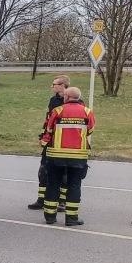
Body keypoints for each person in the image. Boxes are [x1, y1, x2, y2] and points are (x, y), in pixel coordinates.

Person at [40, 86, 94, 226]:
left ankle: (50, 217)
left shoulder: (57, 111)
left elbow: (49, 129)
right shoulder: (87, 112)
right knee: (74, 186)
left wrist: (43, 142)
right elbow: (90, 130)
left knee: (53, 184)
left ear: (67, 97)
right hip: (78, 157)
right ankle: (71, 218)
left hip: (56, 156)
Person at [28, 75, 70, 210]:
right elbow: (48, 121)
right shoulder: (53, 100)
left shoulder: (72, 101)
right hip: (50, 142)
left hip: (65, 144)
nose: (52, 87)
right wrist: (44, 136)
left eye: (54, 84)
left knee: (64, 173)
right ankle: (41, 199)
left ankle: (62, 202)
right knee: (43, 171)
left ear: (63, 85)